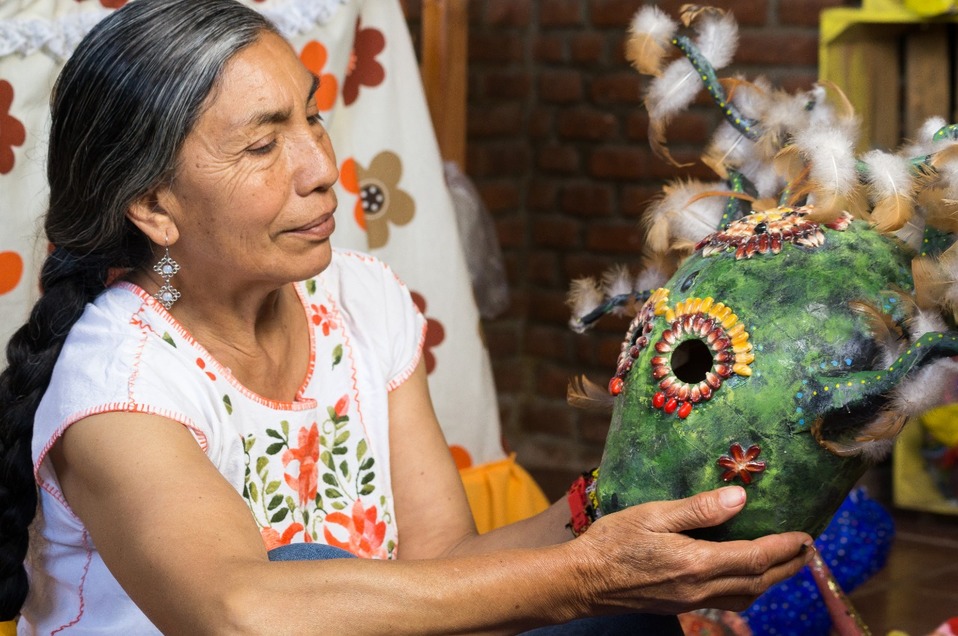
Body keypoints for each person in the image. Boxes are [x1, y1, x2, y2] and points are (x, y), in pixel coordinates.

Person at [0, 1, 813, 633]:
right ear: (154, 206)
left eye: (311, 117)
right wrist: (585, 573)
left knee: (624, 627)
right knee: (303, 570)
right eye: (261, 147)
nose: (321, 168)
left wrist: (617, 505)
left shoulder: (360, 299)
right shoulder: (119, 382)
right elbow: (238, 614)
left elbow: (445, 563)